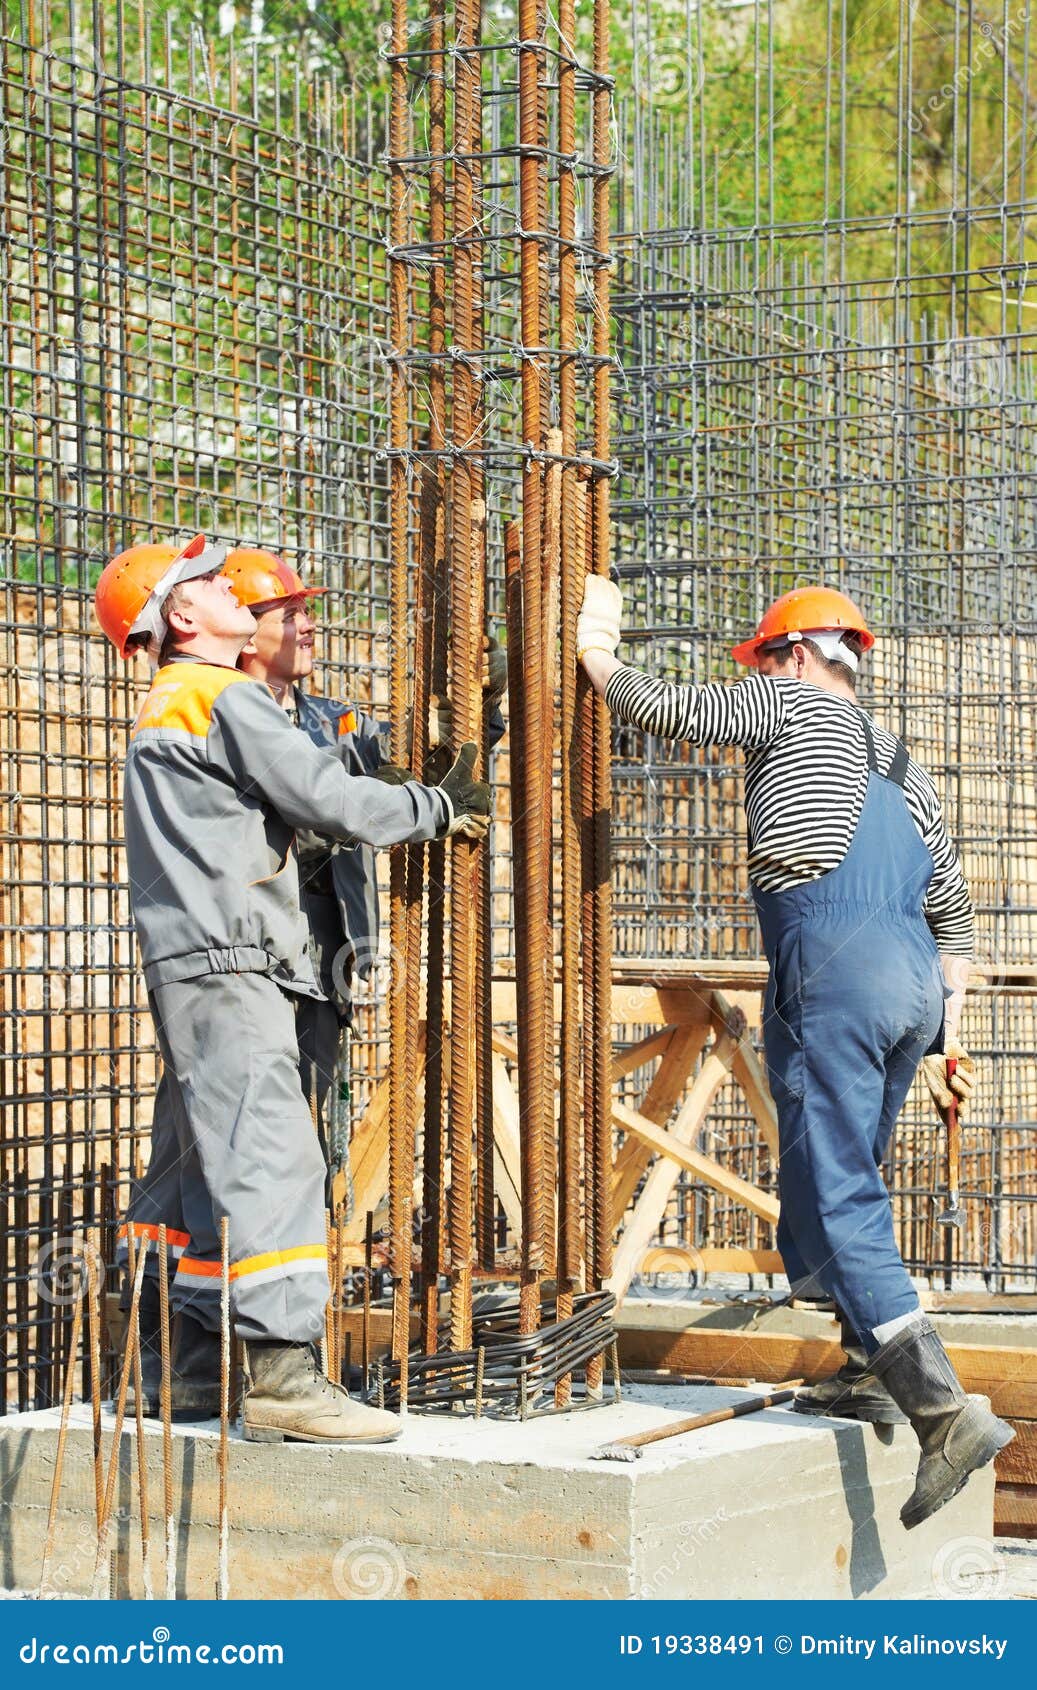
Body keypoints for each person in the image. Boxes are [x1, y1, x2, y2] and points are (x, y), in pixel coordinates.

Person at [576, 576, 1014, 1528]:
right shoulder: (901, 760)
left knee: (836, 1184)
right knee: (828, 1180)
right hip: (911, 982)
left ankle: (942, 1414)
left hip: (835, 961)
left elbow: (665, 708)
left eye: (766, 654)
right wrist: (939, 1028)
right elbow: (955, 914)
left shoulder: (789, 699)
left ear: (799, 655)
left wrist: (597, 650)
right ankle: (865, 1368)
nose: (761, 670)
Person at [95, 533, 490, 1444]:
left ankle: (180, 1367)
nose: (230, 588)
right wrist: (438, 807)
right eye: (208, 584)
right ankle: (281, 1375)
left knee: (202, 1161)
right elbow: (330, 799)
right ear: (182, 616)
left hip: (204, 958)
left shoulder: (171, 706)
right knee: (272, 1154)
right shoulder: (216, 693)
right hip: (234, 961)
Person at [221, 546, 507, 1179]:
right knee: (256, 1117)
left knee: (309, 1112)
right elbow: (322, 800)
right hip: (256, 943)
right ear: (243, 631)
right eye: (290, 613)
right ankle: (230, 1261)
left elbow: (414, 753)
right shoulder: (229, 719)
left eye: (306, 611)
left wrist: (475, 708)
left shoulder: (333, 721)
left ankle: (302, 1253)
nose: (308, 625)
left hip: (326, 950)